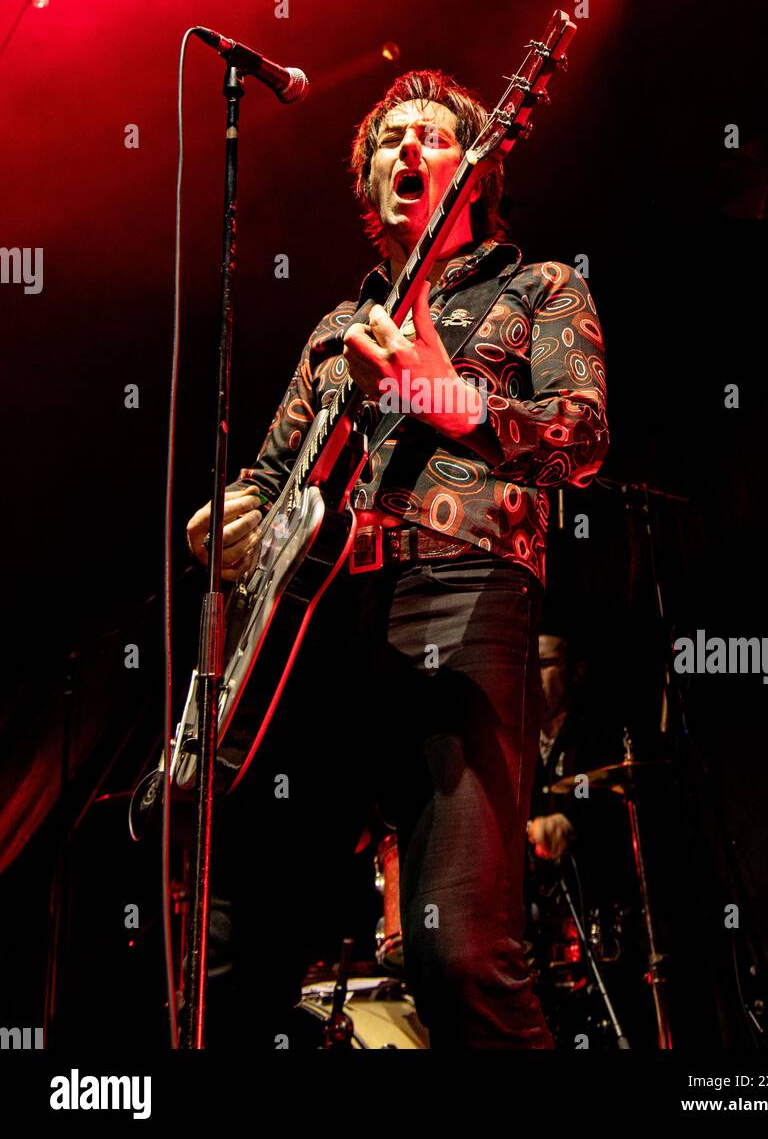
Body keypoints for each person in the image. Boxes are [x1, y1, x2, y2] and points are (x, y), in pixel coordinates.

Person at [186, 68, 609, 1049]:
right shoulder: (334, 332)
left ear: (478, 170)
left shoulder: (538, 287)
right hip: (319, 634)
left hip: (462, 603)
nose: (407, 148)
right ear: (365, 184)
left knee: (460, 957)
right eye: (387, 139)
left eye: (431, 134)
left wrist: (444, 393)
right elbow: (267, 480)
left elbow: (580, 440)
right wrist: (229, 523)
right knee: (231, 953)